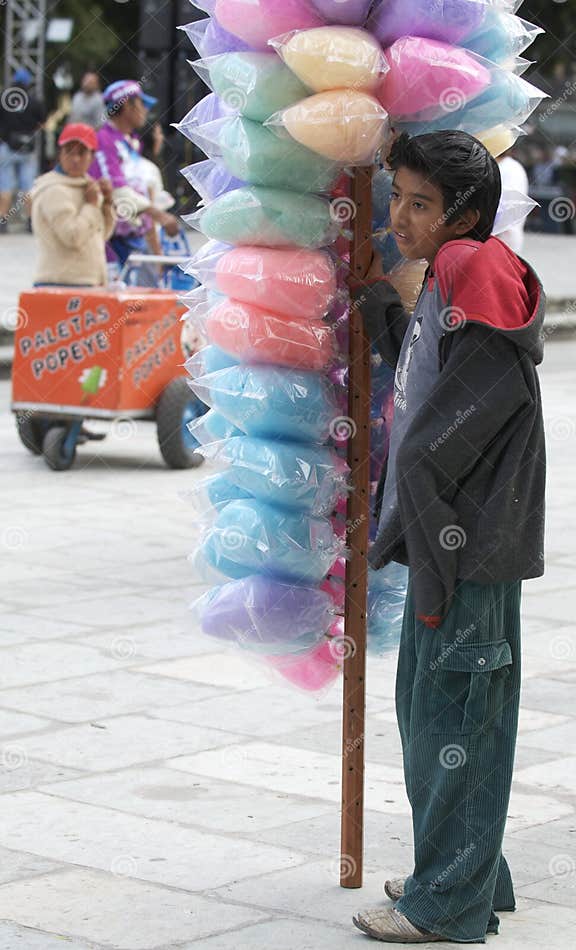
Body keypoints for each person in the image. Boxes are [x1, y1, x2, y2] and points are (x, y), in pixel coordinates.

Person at [350, 131, 546, 944]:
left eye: (419, 203)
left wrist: (423, 524)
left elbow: (463, 417)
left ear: (464, 213)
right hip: (456, 542)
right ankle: (466, 868)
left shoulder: (476, 268)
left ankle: (448, 904)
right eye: (396, 196)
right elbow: (430, 377)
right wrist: (386, 315)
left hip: (463, 547)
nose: (399, 216)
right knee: (448, 714)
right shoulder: (449, 273)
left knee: (453, 719)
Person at [89, 80, 178, 270]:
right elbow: (117, 191)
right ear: (127, 106)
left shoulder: (131, 142)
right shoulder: (104, 140)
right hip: (109, 244)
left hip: (135, 240)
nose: (146, 111)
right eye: (142, 105)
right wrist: (161, 216)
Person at [31, 123, 115, 287]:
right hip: (61, 283)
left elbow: (101, 234)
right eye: (69, 152)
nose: (75, 159)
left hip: (86, 282)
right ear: (60, 154)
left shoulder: (88, 186)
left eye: (82, 153)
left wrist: (107, 203)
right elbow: (73, 237)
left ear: (92, 156)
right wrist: (91, 206)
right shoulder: (54, 189)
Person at [0, 68, 46, 233]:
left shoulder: (4, 99)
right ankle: (31, 222)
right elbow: (42, 124)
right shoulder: (34, 101)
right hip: (27, 149)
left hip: (7, 147)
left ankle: (2, 221)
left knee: (5, 185)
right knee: (27, 187)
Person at [496, 147, 530, 254]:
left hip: (503, 235)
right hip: (506, 235)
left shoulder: (507, 169)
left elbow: (505, 205)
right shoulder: (511, 167)